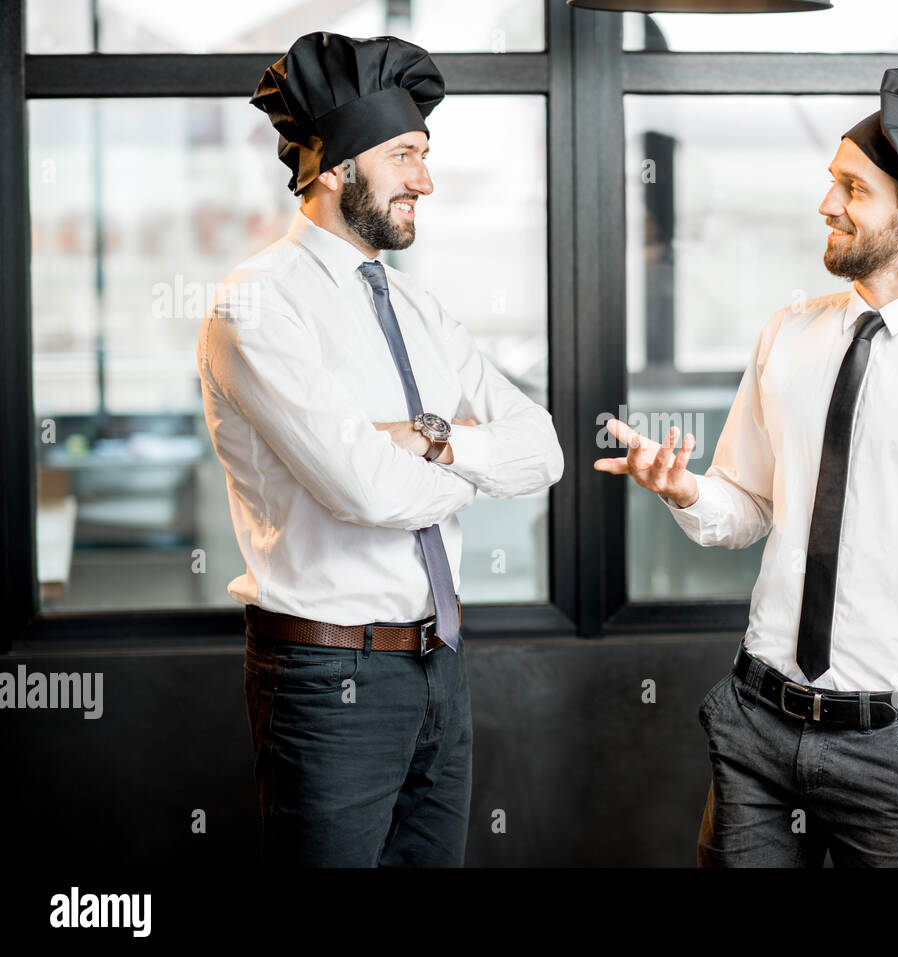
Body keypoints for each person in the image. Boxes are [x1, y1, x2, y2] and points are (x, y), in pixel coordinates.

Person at [594, 66, 898, 867]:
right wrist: (684, 490)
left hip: (896, 750)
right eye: (831, 183)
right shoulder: (789, 333)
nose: (827, 204)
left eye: (852, 187)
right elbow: (745, 506)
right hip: (756, 728)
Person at [197, 32, 564, 867]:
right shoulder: (257, 306)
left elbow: (542, 450)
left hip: (441, 663)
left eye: (424, 155)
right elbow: (365, 493)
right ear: (333, 167)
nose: (425, 180)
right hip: (327, 681)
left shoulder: (418, 306)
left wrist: (426, 441)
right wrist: (469, 461)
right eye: (405, 155)